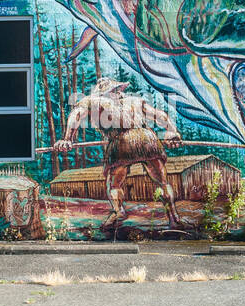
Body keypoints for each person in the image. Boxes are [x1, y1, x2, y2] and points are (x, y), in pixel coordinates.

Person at [55, 78, 182, 231]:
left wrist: (67, 138)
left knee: (114, 183)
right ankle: (174, 217)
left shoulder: (92, 101)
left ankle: (118, 210)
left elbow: (76, 115)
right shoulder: (135, 101)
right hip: (148, 138)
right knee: (162, 182)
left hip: (121, 141)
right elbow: (159, 116)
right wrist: (172, 130)